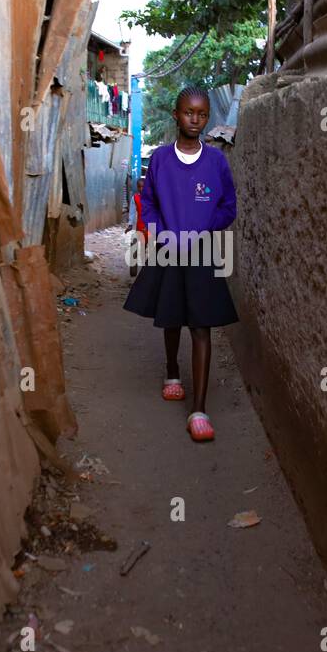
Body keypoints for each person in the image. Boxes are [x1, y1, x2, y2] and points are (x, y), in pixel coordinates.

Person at [123, 86, 237, 442]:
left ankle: (199, 409)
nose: (196, 120)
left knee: (201, 326)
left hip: (201, 252)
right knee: (171, 315)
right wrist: (160, 233)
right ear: (176, 114)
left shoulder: (217, 162)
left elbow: (227, 207)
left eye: (202, 114)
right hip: (167, 249)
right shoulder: (160, 159)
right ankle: (172, 371)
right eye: (189, 112)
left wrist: (203, 231)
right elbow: (149, 202)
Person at [129, 175, 148, 279]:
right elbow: (132, 212)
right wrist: (130, 224)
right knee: (138, 246)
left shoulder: (153, 198)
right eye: (139, 187)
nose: (141, 189)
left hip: (151, 226)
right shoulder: (135, 198)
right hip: (140, 226)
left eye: (143, 187)